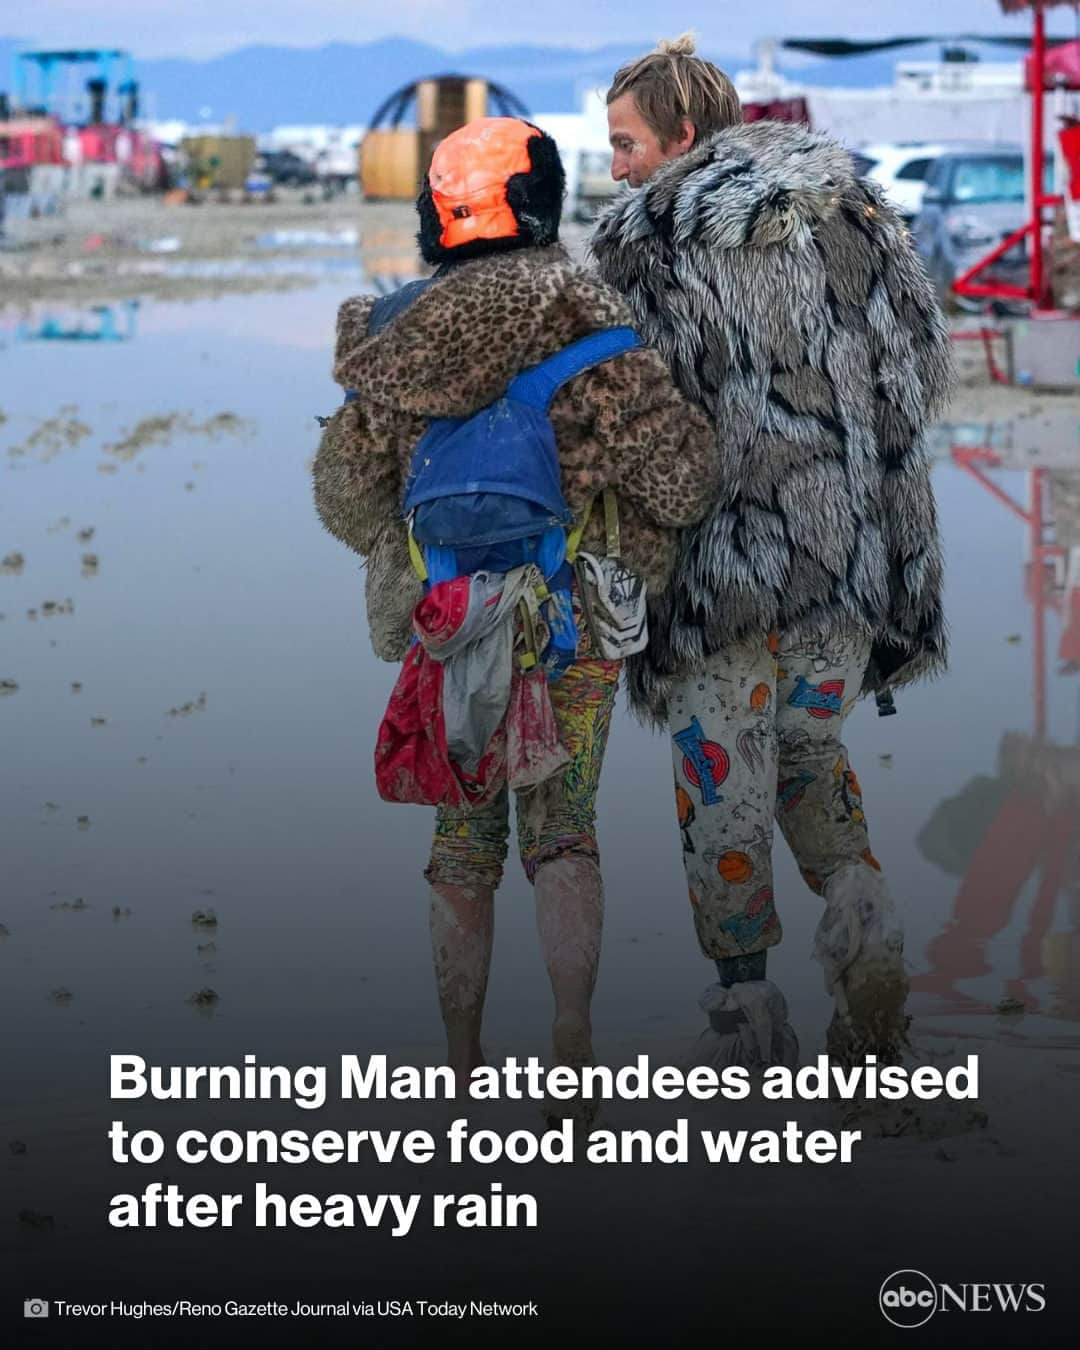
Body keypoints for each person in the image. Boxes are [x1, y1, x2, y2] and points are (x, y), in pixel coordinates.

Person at [313, 117, 718, 1097]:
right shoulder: (593, 322)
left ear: (436, 214)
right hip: (569, 621)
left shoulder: (392, 333)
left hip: (450, 624)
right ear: (542, 202)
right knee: (565, 826)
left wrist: (424, 553)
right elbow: (682, 484)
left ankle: (460, 1066)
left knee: (460, 840)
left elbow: (342, 501)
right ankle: (571, 1038)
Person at [590, 36, 955, 1064]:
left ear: (682, 136)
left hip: (725, 575)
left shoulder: (649, 242)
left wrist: (620, 563)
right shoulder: (860, 215)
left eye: (623, 143)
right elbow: (919, 379)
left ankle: (745, 1016)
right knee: (811, 758)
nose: (614, 165)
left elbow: (638, 432)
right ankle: (867, 925)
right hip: (853, 566)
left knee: (723, 784)